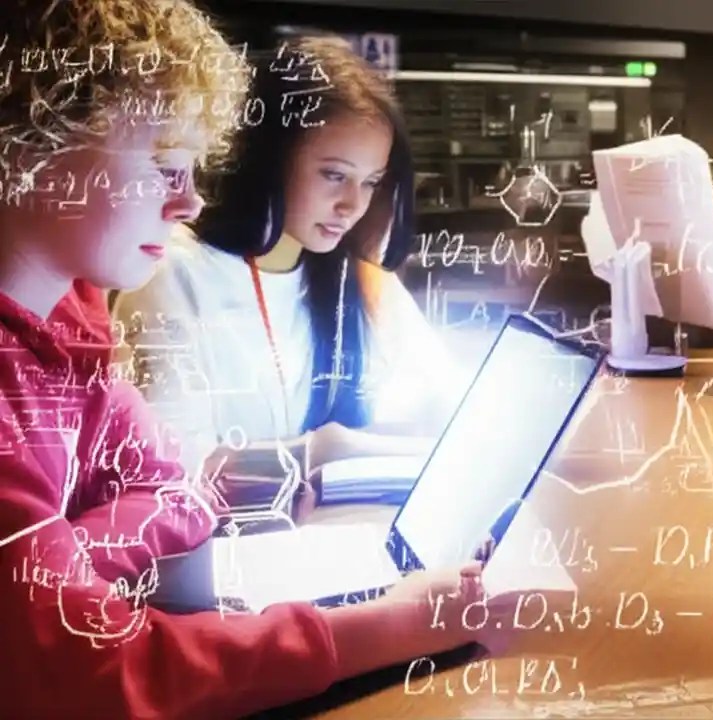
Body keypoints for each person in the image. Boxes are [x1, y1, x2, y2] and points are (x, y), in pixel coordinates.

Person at [0, 2, 510, 716]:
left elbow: (178, 487)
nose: (188, 200)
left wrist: (65, 554)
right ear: (31, 145)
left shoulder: (71, 323)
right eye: (163, 164)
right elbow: (97, 673)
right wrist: (391, 624)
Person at [113, 35, 459, 478]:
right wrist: (318, 451)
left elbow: (450, 408)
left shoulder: (362, 282)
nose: (353, 204)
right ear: (269, 159)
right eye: (335, 175)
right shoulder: (172, 274)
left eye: (370, 181)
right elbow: (170, 470)